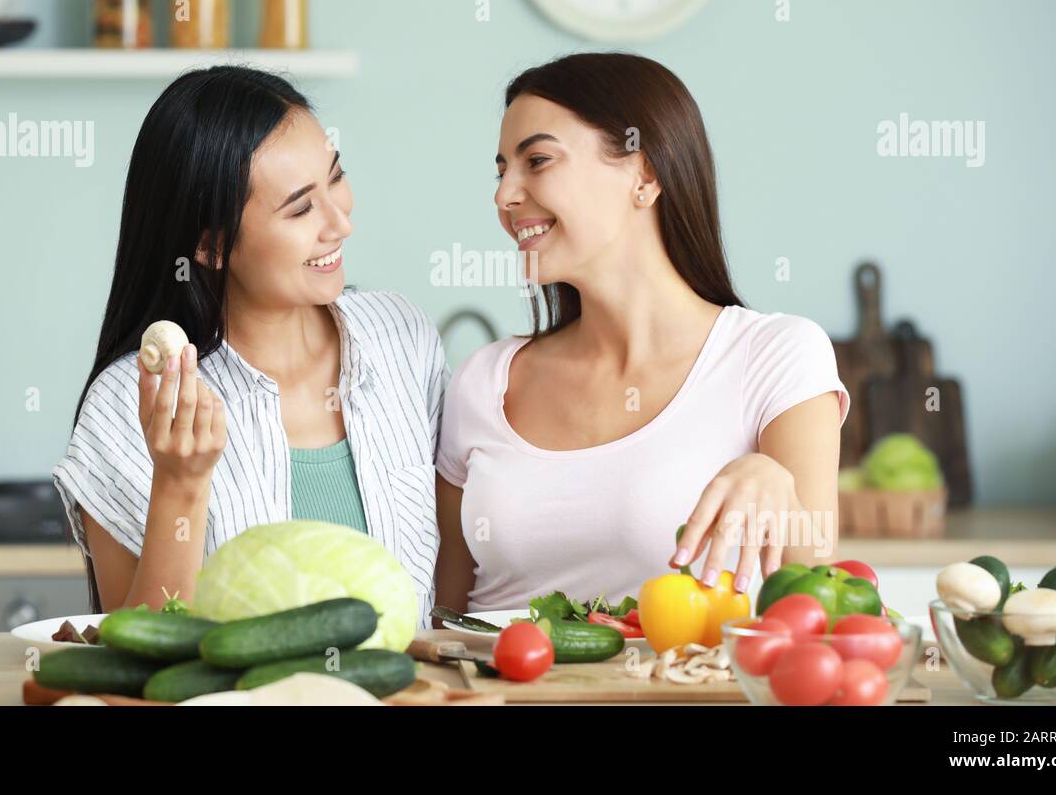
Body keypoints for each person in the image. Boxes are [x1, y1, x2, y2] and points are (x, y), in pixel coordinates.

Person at [434, 52, 849, 614]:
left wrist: (772, 481)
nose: (504, 195)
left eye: (537, 160)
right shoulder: (483, 381)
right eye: (502, 168)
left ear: (645, 174)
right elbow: (443, 621)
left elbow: (812, 607)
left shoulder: (776, 356)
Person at [52, 66, 446, 626]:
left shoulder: (402, 339)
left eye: (335, 178)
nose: (340, 223)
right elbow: (134, 660)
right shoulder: (129, 407)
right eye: (301, 208)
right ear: (212, 246)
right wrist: (180, 484)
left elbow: (450, 598)